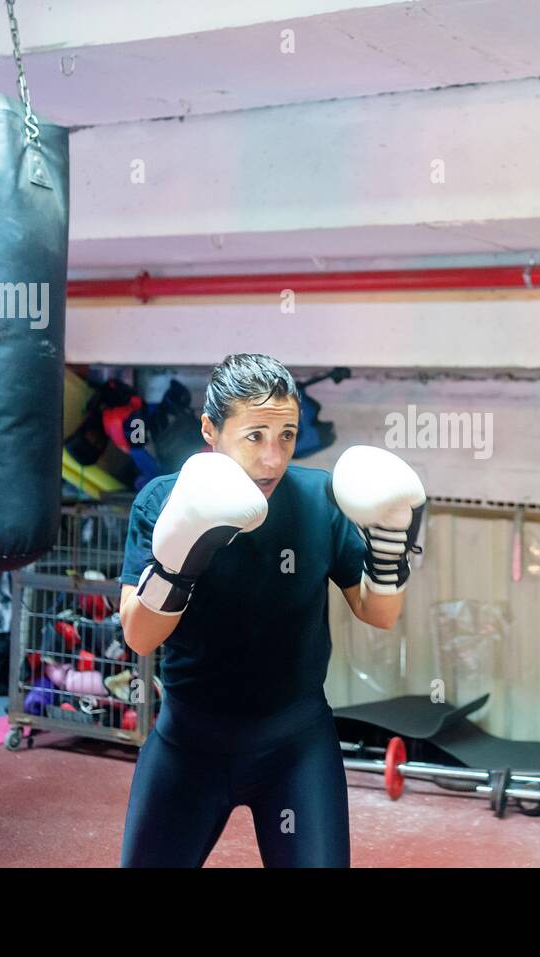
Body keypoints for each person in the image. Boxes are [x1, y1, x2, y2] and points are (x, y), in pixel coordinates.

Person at [117, 353, 425, 867]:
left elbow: (379, 613)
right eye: (255, 435)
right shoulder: (162, 500)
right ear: (211, 430)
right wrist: (177, 562)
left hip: (296, 747)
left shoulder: (318, 498)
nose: (273, 458)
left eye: (286, 435)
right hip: (188, 742)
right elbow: (140, 637)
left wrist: (390, 547)